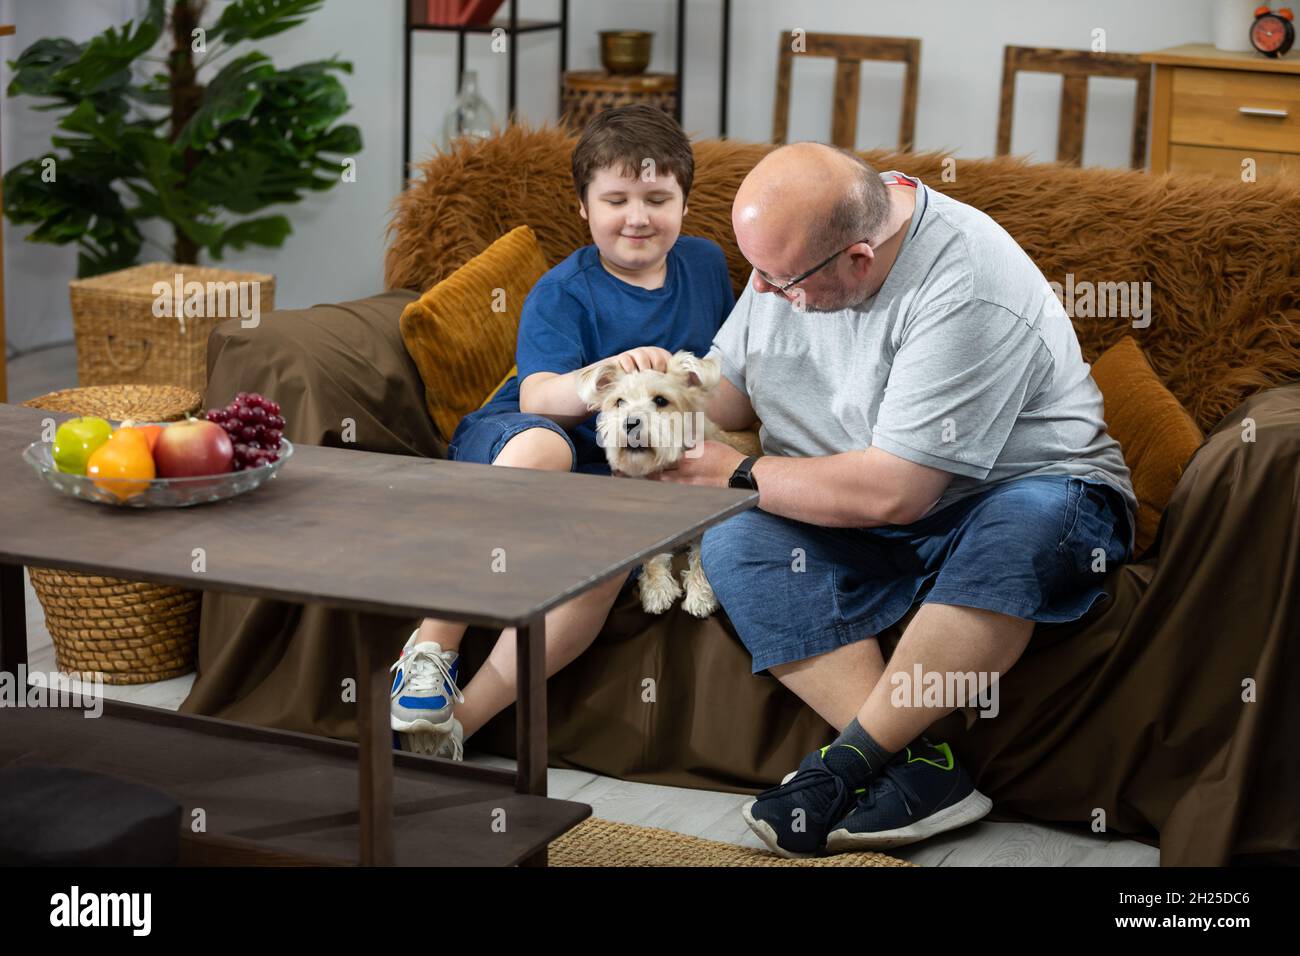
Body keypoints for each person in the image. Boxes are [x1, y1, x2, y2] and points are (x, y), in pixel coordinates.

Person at [650, 142, 1137, 857]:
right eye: (753, 268)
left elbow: (897, 493)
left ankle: (842, 766)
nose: (757, 293)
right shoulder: (793, 254)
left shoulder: (966, 282)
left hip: (1021, 490)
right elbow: (729, 391)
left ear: (859, 259)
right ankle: (919, 767)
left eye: (779, 281)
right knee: (735, 542)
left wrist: (738, 472)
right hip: (860, 497)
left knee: (1017, 533)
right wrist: (650, 394)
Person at [389, 105, 734, 758]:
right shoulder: (566, 289)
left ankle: (456, 723)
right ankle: (433, 647)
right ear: (583, 207)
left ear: (686, 203)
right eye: (616, 200)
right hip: (528, 436)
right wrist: (597, 375)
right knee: (546, 446)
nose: (638, 217)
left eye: (658, 198)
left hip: (619, 469)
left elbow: (728, 371)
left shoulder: (706, 267)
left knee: (604, 555)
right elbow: (537, 392)